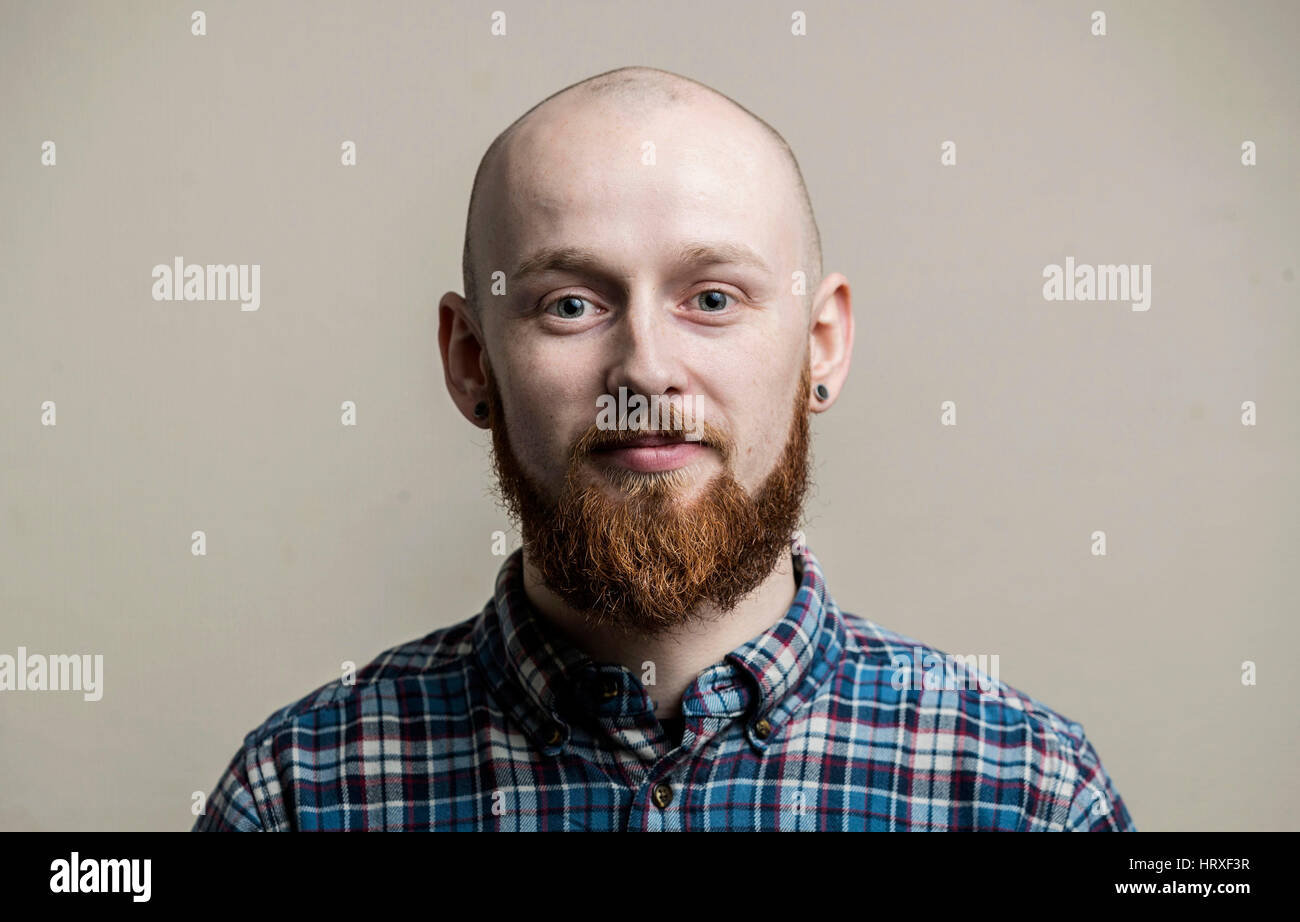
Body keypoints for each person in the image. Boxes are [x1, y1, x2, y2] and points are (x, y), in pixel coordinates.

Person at [194, 65, 1134, 831]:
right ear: (471, 361)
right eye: (571, 304)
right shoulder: (299, 797)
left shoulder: (1028, 797)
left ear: (822, 344)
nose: (645, 369)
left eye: (713, 299)